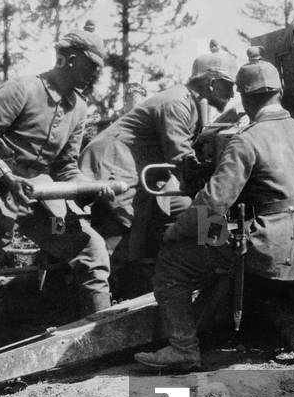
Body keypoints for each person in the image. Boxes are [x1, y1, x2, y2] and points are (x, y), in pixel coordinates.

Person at [135, 47, 294, 371]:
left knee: (173, 261)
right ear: (279, 92)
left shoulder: (246, 140)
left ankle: (183, 348)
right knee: (240, 262)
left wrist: (179, 230)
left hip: (263, 242)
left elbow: (213, 202)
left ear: (247, 98)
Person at [0, 25, 113, 359]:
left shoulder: (78, 108)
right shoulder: (22, 89)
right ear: (68, 59)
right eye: (91, 65)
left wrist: (87, 189)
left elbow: (66, 165)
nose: (95, 73)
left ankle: (104, 339)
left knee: (90, 249)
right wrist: (7, 178)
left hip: (37, 197)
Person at [79, 42, 237, 299]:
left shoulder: (190, 103)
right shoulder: (177, 103)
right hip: (113, 168)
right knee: (119, 241)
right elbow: (183, 161)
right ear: (211, 83)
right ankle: (104, 310)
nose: (232, 94)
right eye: (229, 85)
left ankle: (207, 275)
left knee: (188, 213)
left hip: (141, 174)